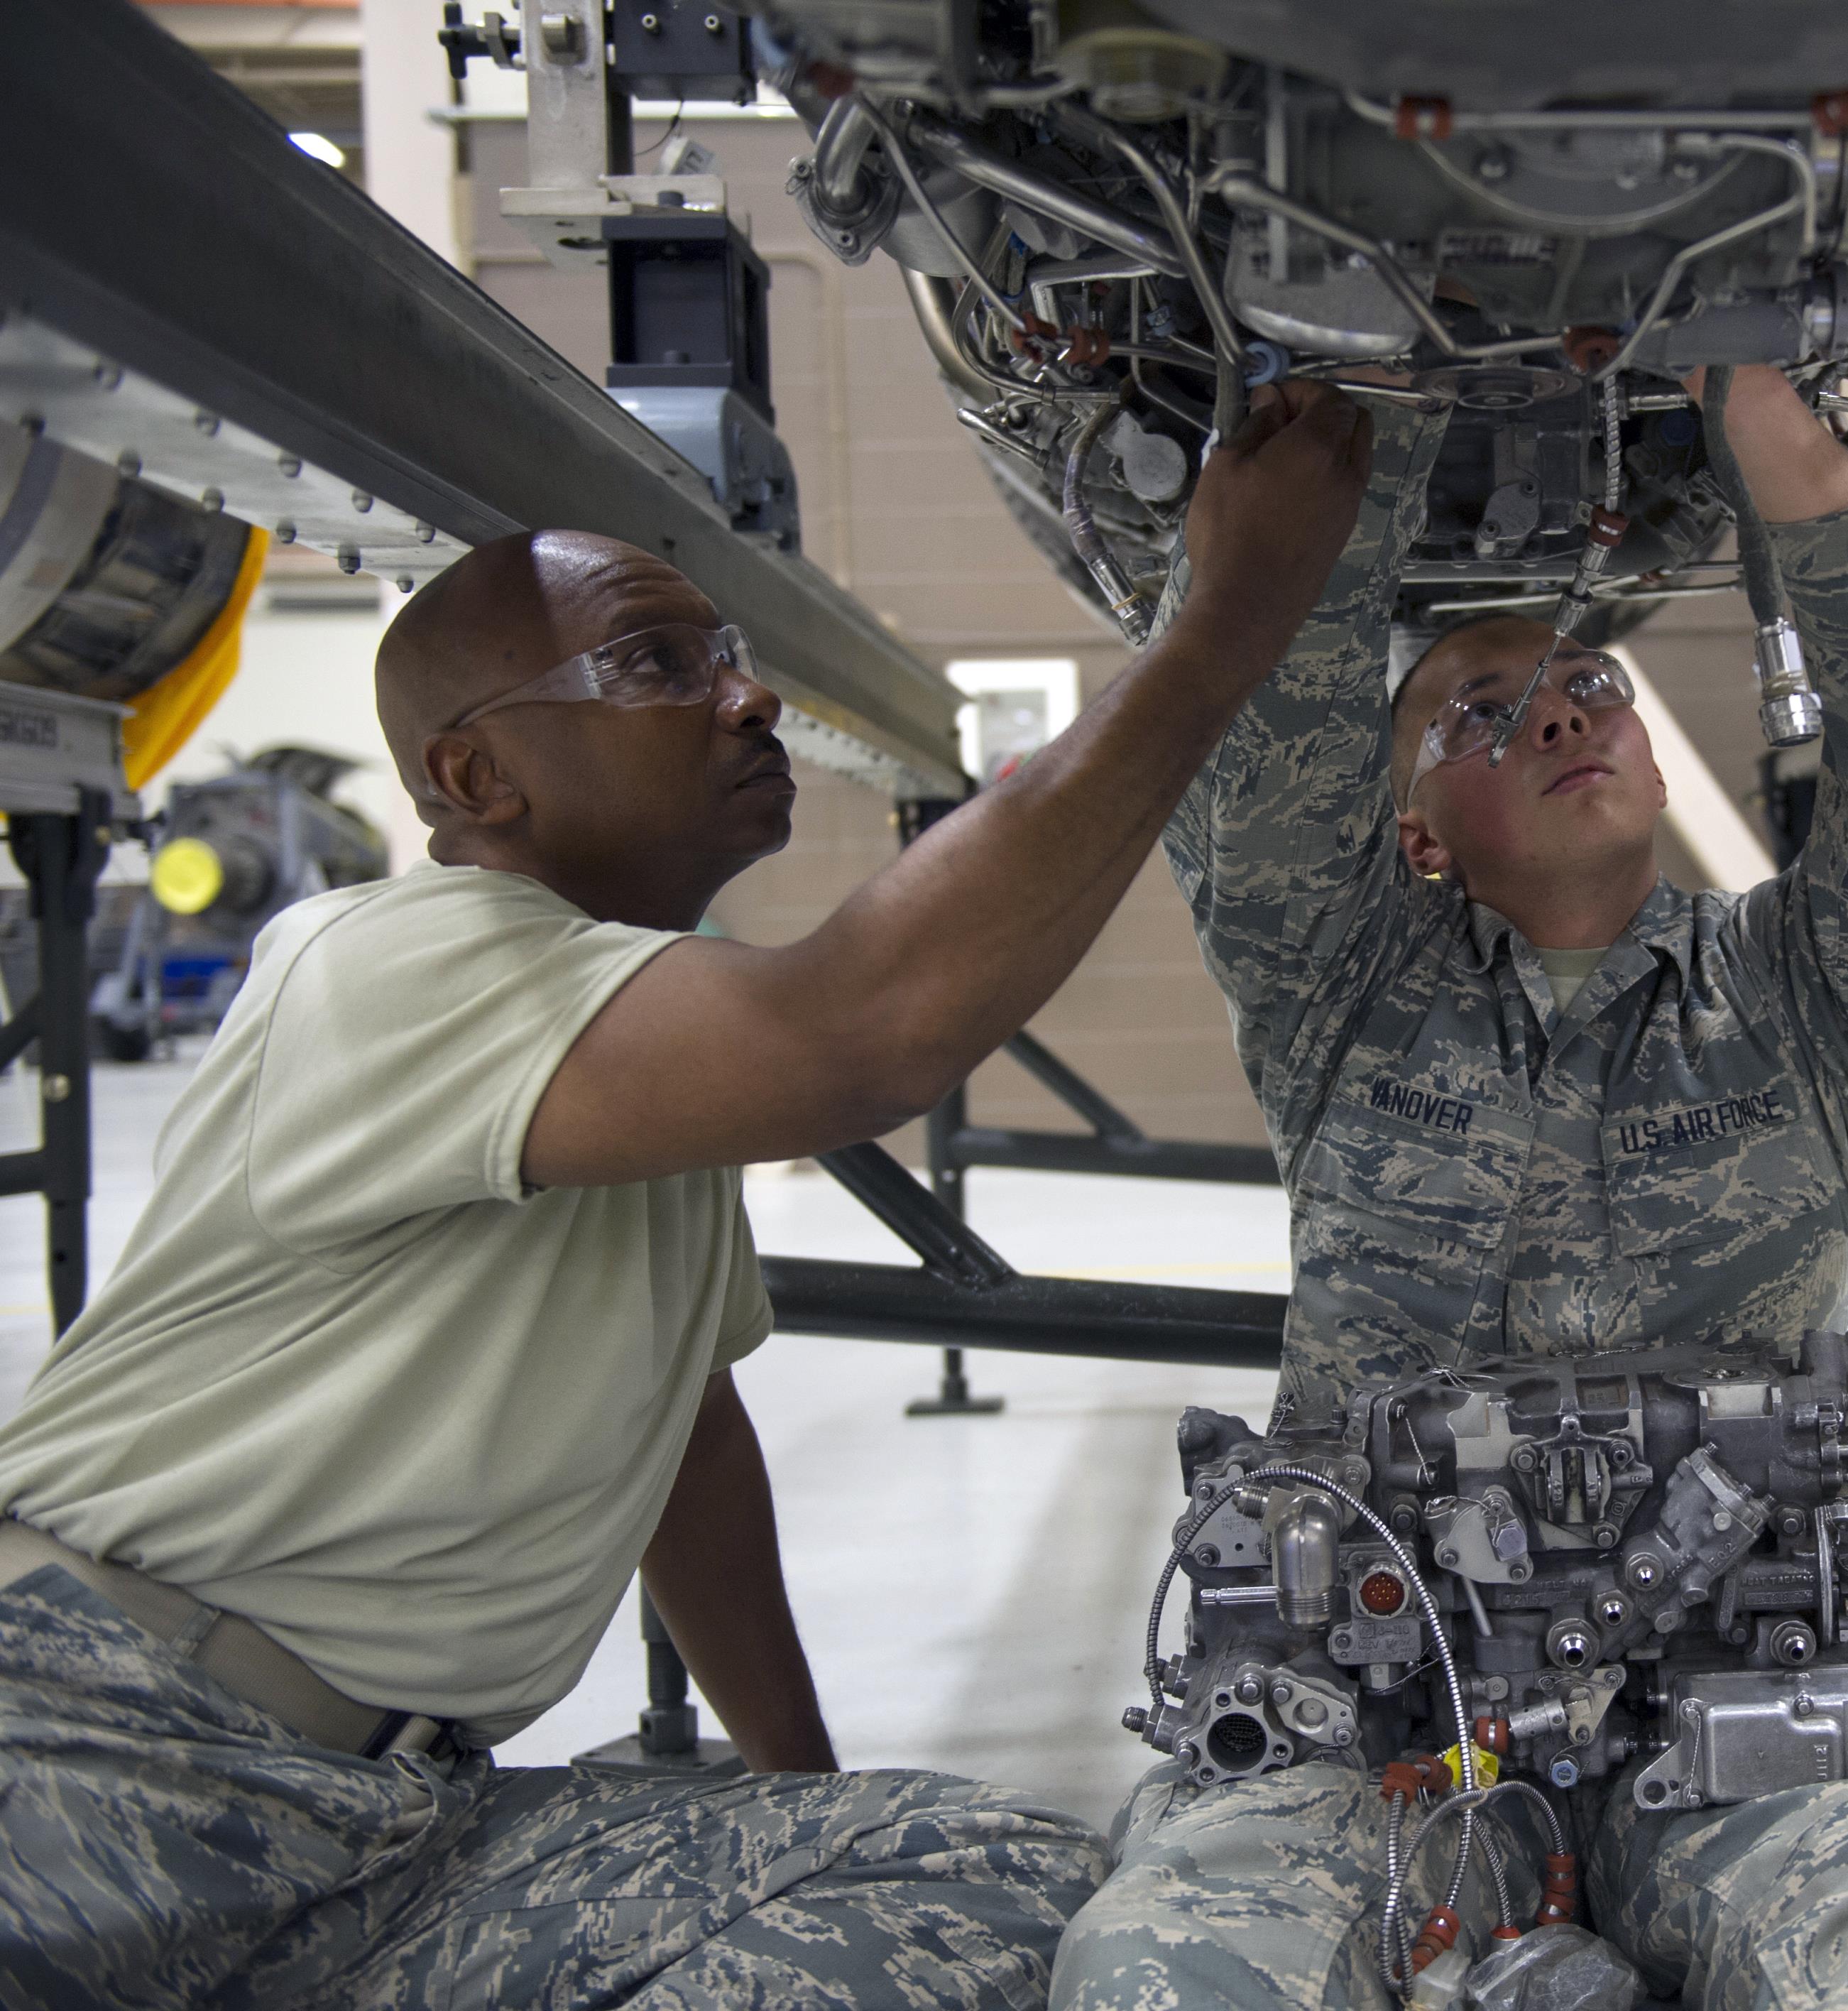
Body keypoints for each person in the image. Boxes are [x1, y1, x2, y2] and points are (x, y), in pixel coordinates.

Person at [0, 383, 1377, 2008]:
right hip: (99, 1743)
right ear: (473, 775)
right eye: (661, 666)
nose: (746, 701)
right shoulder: (384, 960)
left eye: (729, 656)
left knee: (974, 1894)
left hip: (385, 1833)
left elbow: (683, 1448)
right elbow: (865, 1034)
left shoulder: (625, 1052)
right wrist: (1222, 620)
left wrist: (806, 1808)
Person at [1051, 367, 1848, 2011]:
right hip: (1371, 1722)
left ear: (1653, 754)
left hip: (1763, 1699)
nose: (1555, 710)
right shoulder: (1337, 990)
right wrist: (1362, 382)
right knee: (1163, 1978)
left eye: (1588, 681)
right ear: (1413, 840)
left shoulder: (1810, 992)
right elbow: (1264, 767)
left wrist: (1786, 460)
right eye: (1476, 710)